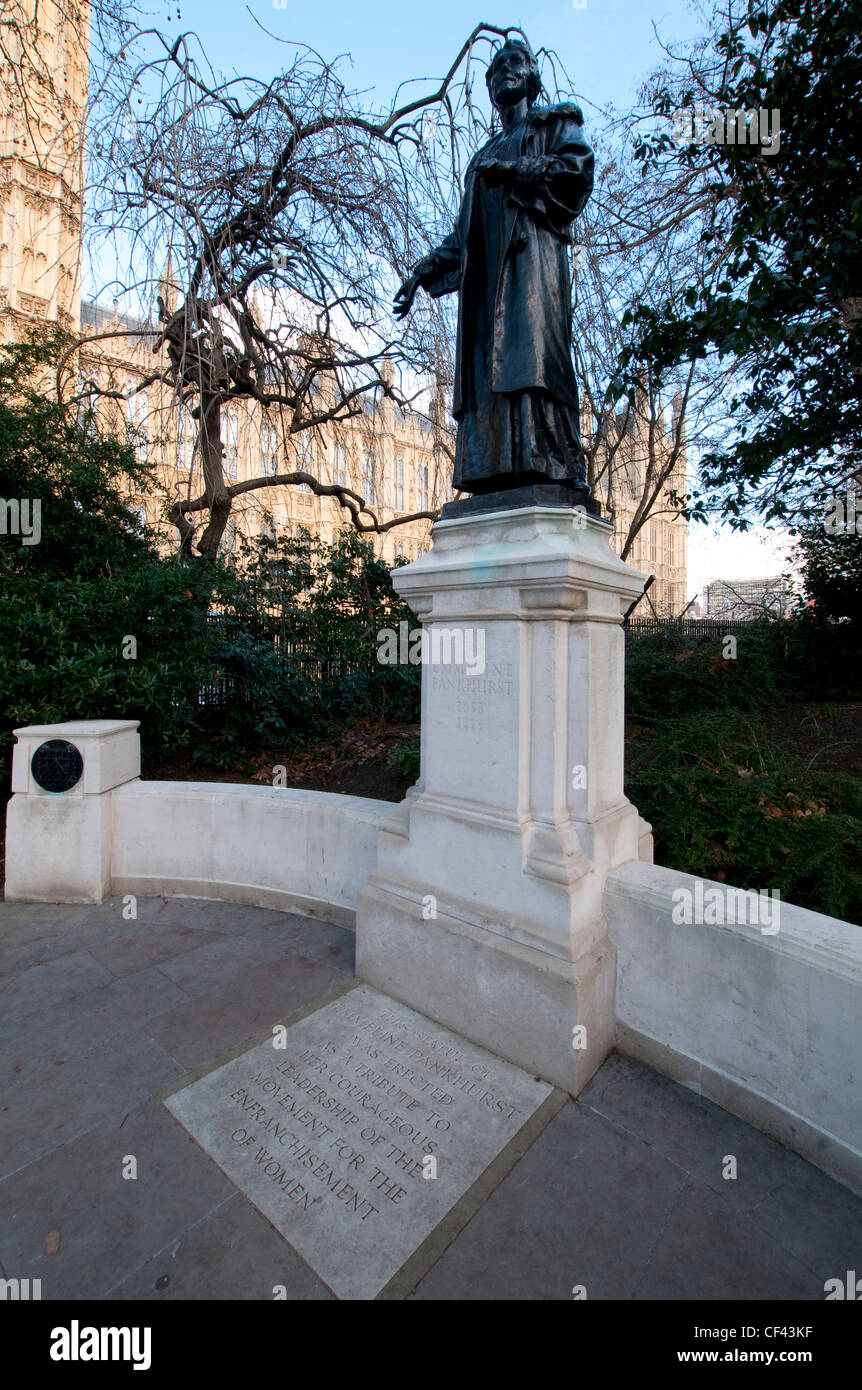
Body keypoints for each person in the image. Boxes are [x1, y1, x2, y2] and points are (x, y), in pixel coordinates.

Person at [394, 37, 595, 502]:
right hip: (485, 294)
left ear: (532, 76)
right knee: (490, 375)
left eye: (516, 62)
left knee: (534, 365)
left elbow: (575, 172)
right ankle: (498, 470)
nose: (506, 69)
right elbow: (464, 236)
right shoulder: (480, 159)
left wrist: (518, 169)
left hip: (530, 273)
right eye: (497, 66)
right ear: (488, 87)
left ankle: (549, 463)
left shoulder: (555, 123)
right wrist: (421, 272)